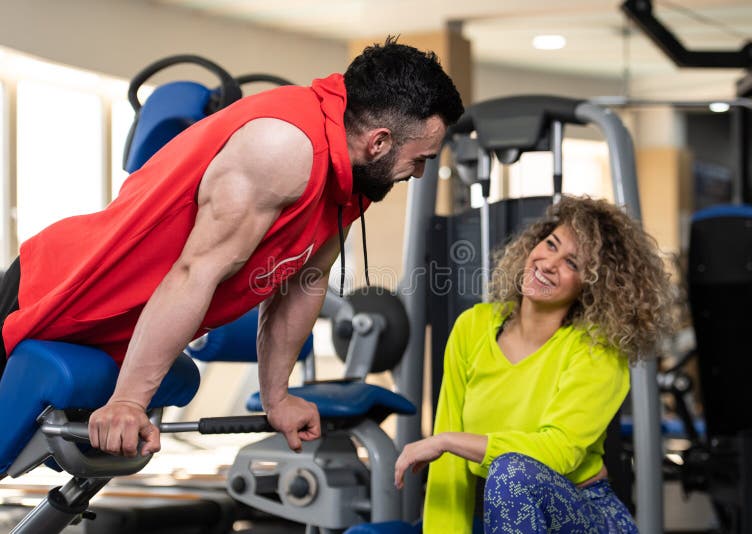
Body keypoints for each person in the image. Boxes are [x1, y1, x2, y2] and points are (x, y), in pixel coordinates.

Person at [0, 36, 463, 458]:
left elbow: (304, 282)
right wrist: (127, 401)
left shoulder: (352, 183)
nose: (419, 174)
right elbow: (194, 271)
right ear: (379, 142)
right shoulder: (283, 146)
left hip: (115, 333)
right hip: (56, 292)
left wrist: (277, 395)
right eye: (419, 160)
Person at [395, 195, 675, 533]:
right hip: (507, 517)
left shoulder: (597, 351)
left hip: (587, 514)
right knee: (506, 474)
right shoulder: (473, 327)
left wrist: (447, 441)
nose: (547, 263)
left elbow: (558, 453)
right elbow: (449, 470)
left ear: (592, 286)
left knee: (511, 471)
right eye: (550, 244)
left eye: (572, 263)